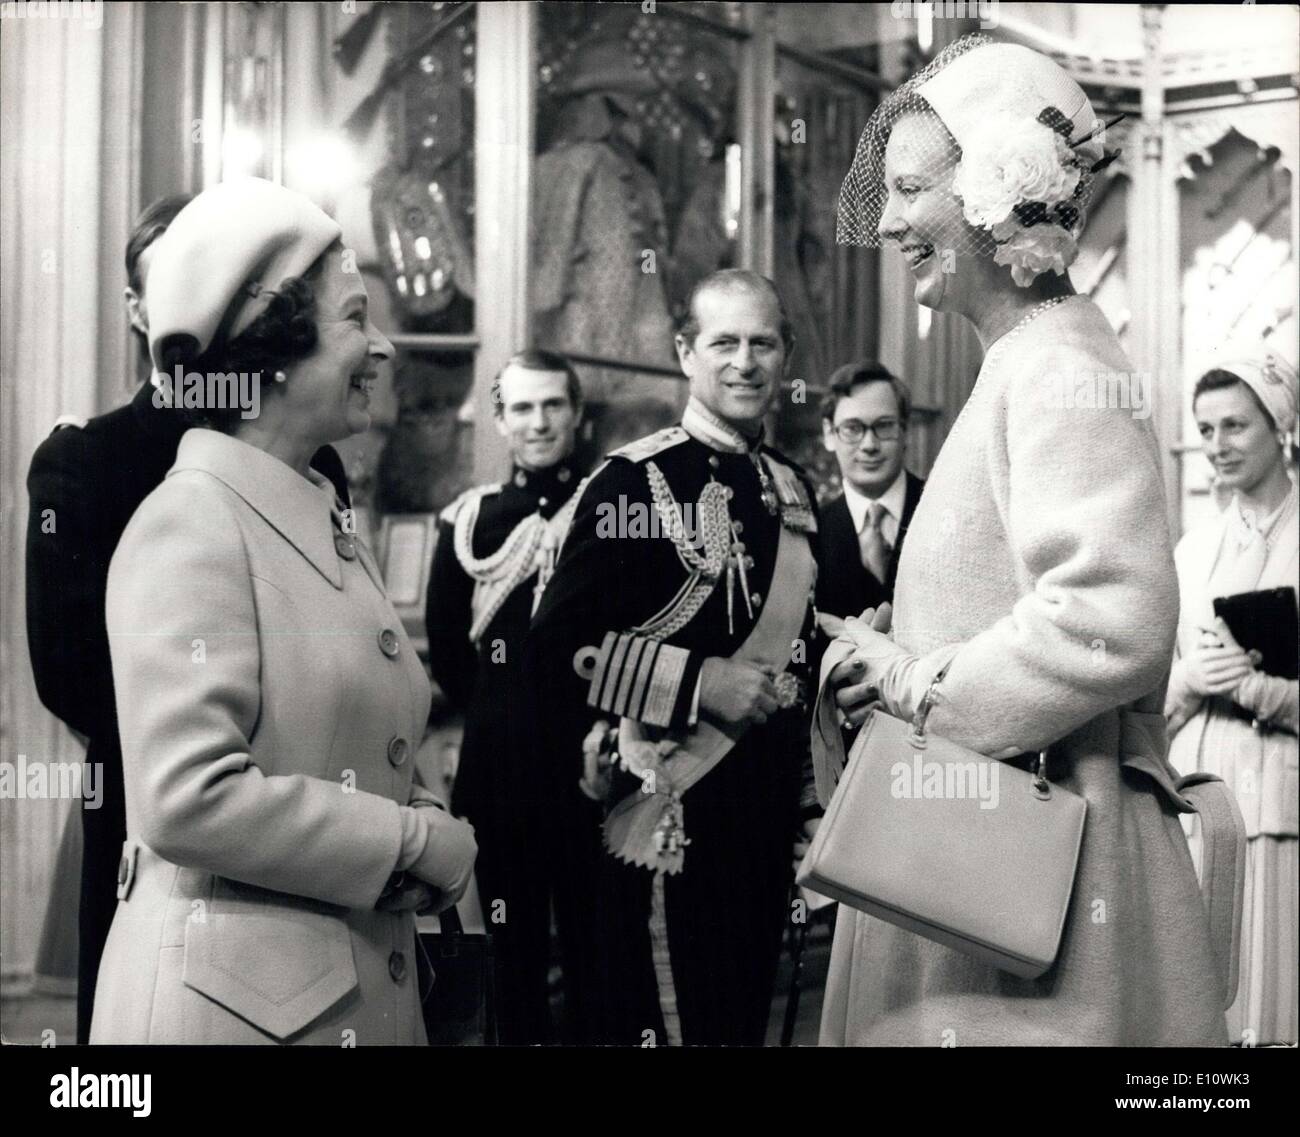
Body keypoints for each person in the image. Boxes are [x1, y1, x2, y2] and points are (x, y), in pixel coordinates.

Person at [819, 34, 1226, 1045]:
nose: (890, 219)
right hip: (996, 853)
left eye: (913, 189)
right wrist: (893, 660)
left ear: (993, 189)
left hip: (1041, 878)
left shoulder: (1052, 365)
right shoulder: (1023, 362)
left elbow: (1111, 619)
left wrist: (918, 684)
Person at [89, 177, 477, 1044]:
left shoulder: (314, 510)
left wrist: (427, 815)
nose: (381, 346)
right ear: (272, 350)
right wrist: (410, 843)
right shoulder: (191, 521)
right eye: (353, 319)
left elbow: (351, 740)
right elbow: (187, 797)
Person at [24, 193, 353, 1044]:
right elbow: (68, 669)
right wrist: (214, 739)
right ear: (141, 309)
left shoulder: (313, 464)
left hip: (303, 805)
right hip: (150, 800)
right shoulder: (86, 459)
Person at [527, 268, 822, 1046]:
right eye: (723, 342)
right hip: (671, 817)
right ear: (685, 351)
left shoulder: (791, 491)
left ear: (785, 356)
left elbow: (812, 637)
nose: (745, 362)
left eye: (763, 343)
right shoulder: (636, 482)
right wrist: (698, 681)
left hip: (764, 822)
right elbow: (557, 648)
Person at [425, 348, 602, 1044]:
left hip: (595, 771)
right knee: (510, 954)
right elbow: (448, 654)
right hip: (501, 774)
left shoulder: (606, 509)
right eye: (522, 407)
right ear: (500, 420)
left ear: (578, 413)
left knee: (598, 954)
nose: (539, 421)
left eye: (553, 404)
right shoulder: (468, 523)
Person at [1167, 350, 1298, 1046]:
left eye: (1236, 426)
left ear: (1282, 427)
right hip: (1202, 809)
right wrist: (1190, 680)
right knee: (1207, 1017)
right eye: (1206, 428)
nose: (1218, 445)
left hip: (1285, 812)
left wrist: (1255, 688)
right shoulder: (1192, 551)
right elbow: (1149, 699)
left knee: (1276, 1005)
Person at [816, 360, 925, 625]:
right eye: (852, 428)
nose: (869, 445)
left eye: (884, 426)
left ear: (905, 430)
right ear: (830, 434)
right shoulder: (812, 529)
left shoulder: (941, 508)